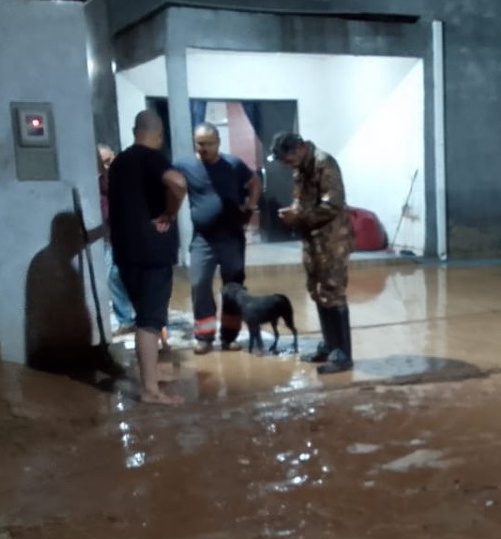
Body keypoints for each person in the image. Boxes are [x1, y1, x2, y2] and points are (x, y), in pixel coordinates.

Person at [106, 110, 188, 405]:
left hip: (125, 251)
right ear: (160, 134)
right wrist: (170, 212)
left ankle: (150, 376)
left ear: (134, 131)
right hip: (152, 251)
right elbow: (178, 183)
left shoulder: (118, 162)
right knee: (150, 321)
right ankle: (150, 390)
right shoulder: (152, 157)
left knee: (144, 315)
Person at [268, 132, 355, 375]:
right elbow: (302, 200)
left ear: (299, 148)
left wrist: (299, 215)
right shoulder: (301, 167)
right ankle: (329, 345)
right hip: (312, 237)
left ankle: (343, 354)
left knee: (332, 291)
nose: (286, 164)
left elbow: (332, 204)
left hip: (332, 238)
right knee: (317, 290)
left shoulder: (324, 163)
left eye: (287, 159)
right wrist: (293, 212)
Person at [174, 123, 261, 354]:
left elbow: (254, 182)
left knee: (233, 288)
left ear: (218, 142)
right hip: (202, 240)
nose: (203, 148)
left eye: (208, 144)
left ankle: (229, 336)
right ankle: (204, 337)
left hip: (232, 238)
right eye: (199, 143)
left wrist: (251, 206)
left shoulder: (233, 164)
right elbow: (168, 180)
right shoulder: (184, 165)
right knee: (199, 284)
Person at [97, 143, 136, 336]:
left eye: (109, 161)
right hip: (110, 239)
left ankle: (144, 319)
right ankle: (126, 320)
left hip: (132, 237)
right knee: (112, 277)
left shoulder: (127, 179)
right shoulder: (97, 184)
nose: (107, 166)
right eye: (102, 163)